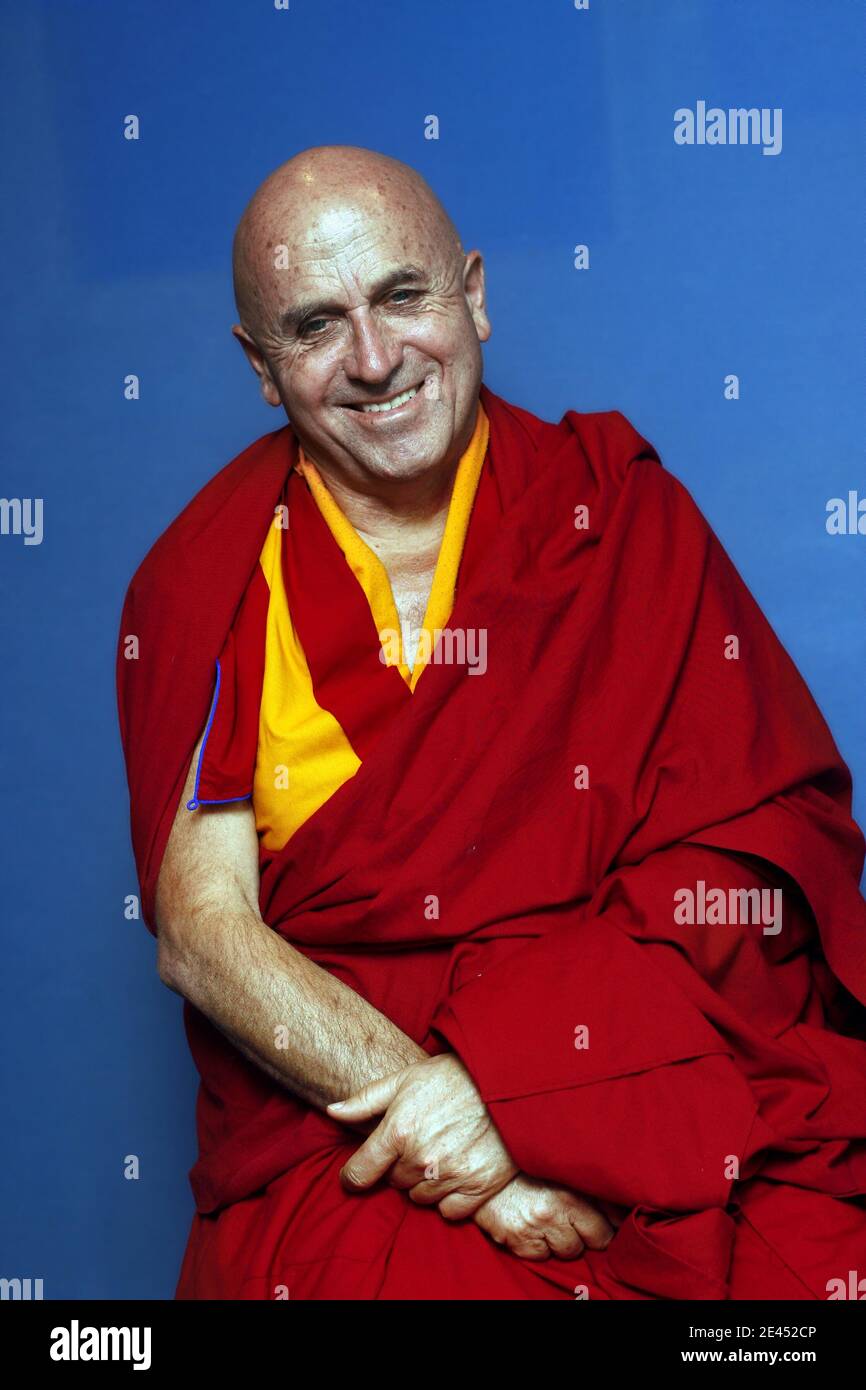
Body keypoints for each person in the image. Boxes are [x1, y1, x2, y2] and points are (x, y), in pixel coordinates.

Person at [117, 145, 866, 1301]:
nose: (373, 361)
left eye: (402, 296)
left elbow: (758, 854)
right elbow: (202, 931)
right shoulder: (209, 579)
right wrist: (465, 1136)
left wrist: (509, 1084)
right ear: (260, 369)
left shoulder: (615, 516)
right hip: (347, 1134)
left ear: (472, 291)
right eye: (315, 327)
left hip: (633, 1071)